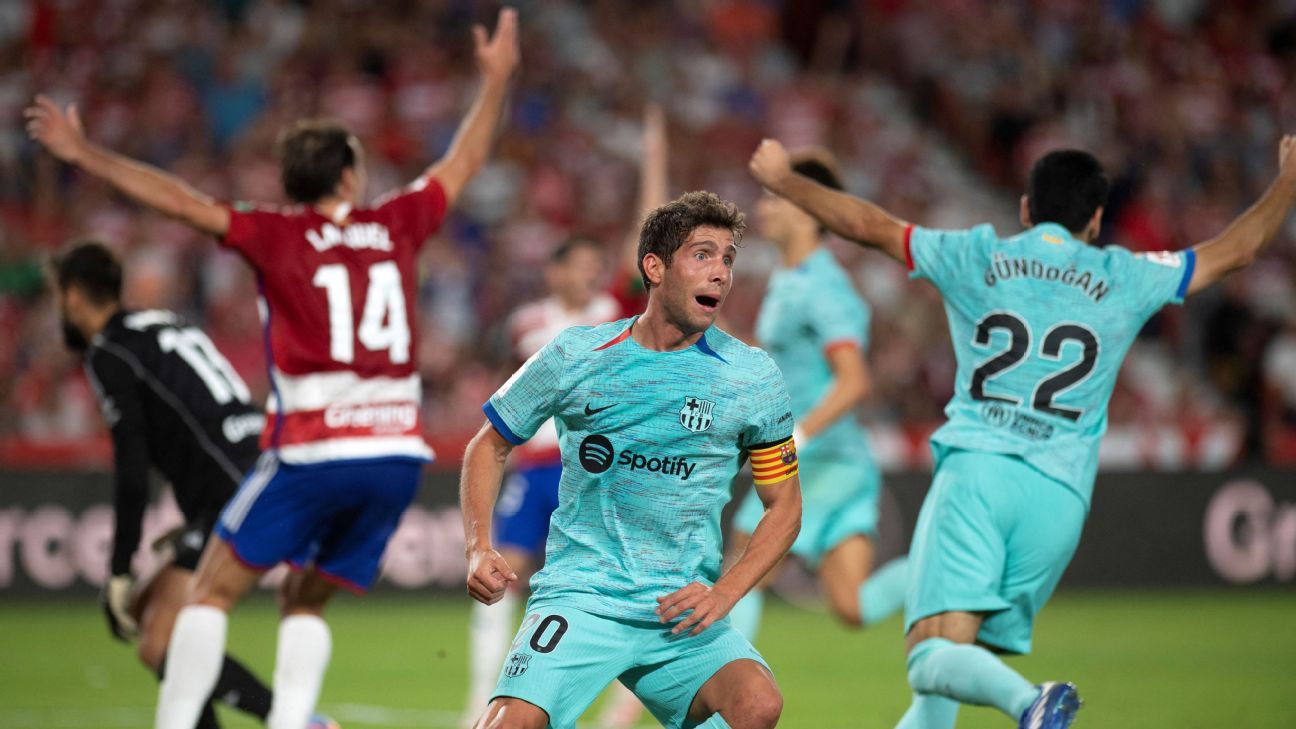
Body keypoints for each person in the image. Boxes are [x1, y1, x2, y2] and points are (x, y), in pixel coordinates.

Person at [26, 9, 519, 729]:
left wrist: (87, 154)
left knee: (211, 591)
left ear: (293, 184)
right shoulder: (396, 222)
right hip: (395, 452)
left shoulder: (276, 232)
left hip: (313, 446)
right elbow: (464, 160)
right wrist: (497, 80)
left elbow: (183, 203)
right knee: (307, 597)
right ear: (350, 173)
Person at [749, 134, 1296, 729]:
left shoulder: (976, 256)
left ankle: (1030, 702)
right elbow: (1237, 251)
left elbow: (868, 224)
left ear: (1025, 209)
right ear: (1093, 218)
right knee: (946, 683)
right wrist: (1288, 181)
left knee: (931, 657)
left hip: (979, 476)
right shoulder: (1129, 272)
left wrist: (786, 180)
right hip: (1061, 501)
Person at [461, 191, 802, 729]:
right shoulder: (577, 353)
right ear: (654, 267)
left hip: (680, 609)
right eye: (702, 254)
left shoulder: (752, 377)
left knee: (758, 703)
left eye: (728, 258)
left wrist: (725, 592)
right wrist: (479, 545)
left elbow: (784, 505)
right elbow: (489, 441)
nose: (720, 273)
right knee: (507, 725)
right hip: (583, 596)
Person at [51, 240, 322, 729]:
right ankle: (292, 719)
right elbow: (195, 421)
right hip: (254, 468)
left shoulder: (110, 352)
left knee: (160, 640)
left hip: (232, 489)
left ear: (72, 296)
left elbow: (132, 466)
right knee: (157, 632)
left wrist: (118, 569)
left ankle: (298, 721)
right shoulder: (161, 324)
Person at [464, 107, 667, 727]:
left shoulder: (618, 310)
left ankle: (622, 712)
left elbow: (653, 234)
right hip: (536, 463)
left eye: (595, 264)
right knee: (503, 573)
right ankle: (484, 696)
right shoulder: (526, 323)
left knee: (629, 586)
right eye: (580, 263)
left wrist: (653, 159)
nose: (591, 271)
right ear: (556, 270)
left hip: (604, 468)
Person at [727, 150, 908, 643]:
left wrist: (797, 438)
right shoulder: (791, 281)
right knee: (851, 607)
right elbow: (781, 364)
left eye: (775, 198)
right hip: (841, 460)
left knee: (744, 563)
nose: (763, 209)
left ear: (807, 209)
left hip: (822, 458)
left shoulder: (824, 286)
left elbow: (854, 380)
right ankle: (937, 568)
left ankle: (720, 710)